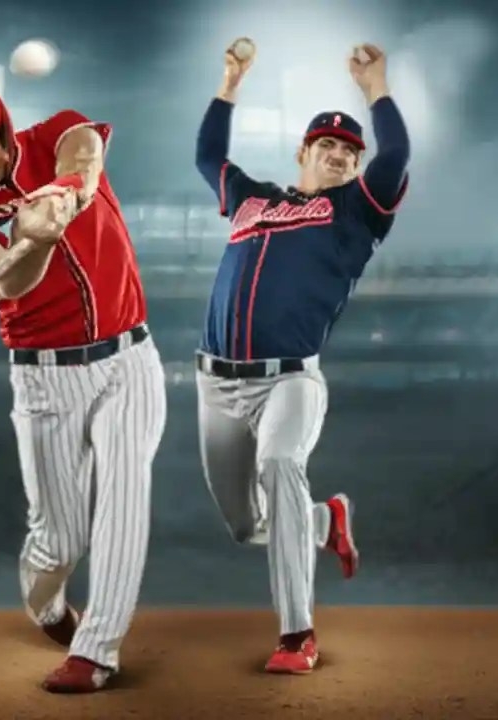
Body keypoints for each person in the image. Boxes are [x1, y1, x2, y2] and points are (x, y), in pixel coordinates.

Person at [0, 64, 167, 693]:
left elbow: (86, 151)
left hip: (129, 358)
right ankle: (48, 606)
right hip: (46, 379)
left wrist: (70, 191)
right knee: (60, 539)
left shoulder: (55, 133)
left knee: (124, 500)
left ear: (1, 124)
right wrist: (32, 242)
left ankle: (96, 650)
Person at [192, 39, 411, 674]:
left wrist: (375, 87)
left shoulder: (357, 212)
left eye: (349, 151)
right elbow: (208, 156)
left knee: (281, 462)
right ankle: (324, 519)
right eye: (328, 145)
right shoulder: (251, 199)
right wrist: (229, 83)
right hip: (215, 384)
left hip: (289, 380)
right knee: (245, 525)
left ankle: (297, 636)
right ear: (303, 152)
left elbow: (395, 153)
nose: (340, 155)